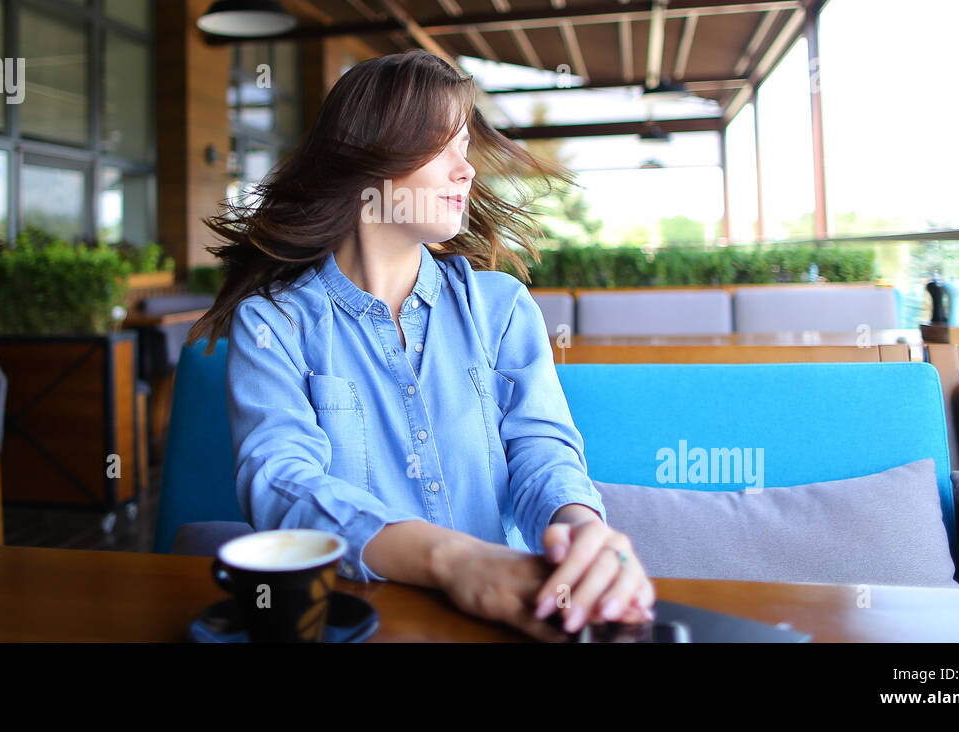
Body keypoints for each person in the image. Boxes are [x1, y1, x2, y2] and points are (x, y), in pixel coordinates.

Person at [187, 50, 653, 641]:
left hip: (513, 614)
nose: (467, 171)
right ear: (370, 156)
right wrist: (454, 561)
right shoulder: (274, 325)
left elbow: (542, 452)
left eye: (466, 149)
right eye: (443, 147)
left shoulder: (501, 308)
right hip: (360, 622)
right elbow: (281, 484)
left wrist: (580, 531)